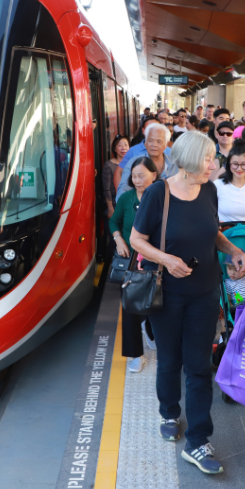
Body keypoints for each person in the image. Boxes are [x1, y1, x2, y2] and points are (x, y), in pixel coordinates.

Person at [130, 130, 245, 475]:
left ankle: (198, 440)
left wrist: (234, 250)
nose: (214, 165)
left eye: (213, 158)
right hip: (167, 294)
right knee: (169, 360)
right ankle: (169, 410)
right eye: (208, 159)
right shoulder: (159, 193)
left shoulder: (210, 190)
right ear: (187, 164)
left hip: (205, 292)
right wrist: (167, 260)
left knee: (198, 365)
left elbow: (212, 232)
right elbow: (136, 239)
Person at [110, 157, 158, 373]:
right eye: (134, 176)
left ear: (154, 176)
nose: (137, 180)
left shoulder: (161, 198)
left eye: (142, 176)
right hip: (132, 258)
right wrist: (119, 239)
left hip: (156, 258)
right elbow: (114, 221)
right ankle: (136, 355)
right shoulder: (127, 198)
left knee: (156, 300)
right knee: (129, 306)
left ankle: (150, 329)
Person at [117, 123, 172, 200]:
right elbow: (123, 190)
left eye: (159, 141)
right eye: (150, 140)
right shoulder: (133, 162)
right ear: (145, 142)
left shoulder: (174, 165)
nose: (154, 145)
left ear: (166, 144)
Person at [104, 135, 129, 214]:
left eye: (126, 145)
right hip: (115, 204)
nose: (123, 148)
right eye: (120, 145)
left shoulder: (132, 163)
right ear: (114, 149)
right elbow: (106, 189)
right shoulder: (109, 165)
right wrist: (110, 208)